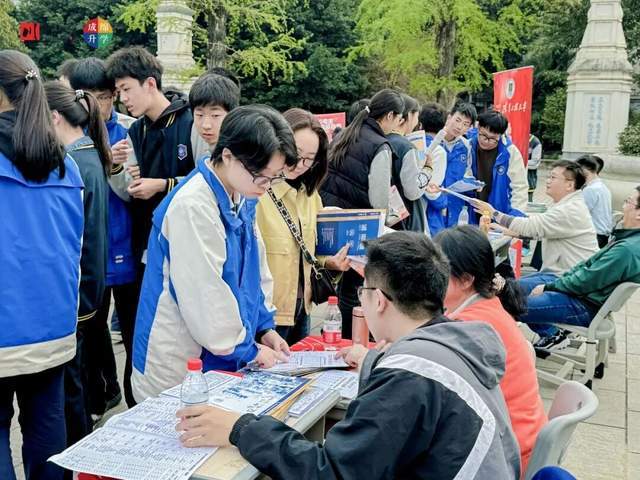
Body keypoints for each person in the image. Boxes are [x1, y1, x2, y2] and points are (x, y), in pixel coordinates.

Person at [176, 232, 521, 479]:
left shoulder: (411, 376)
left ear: (379, 300)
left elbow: (332, 471)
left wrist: (240, 428)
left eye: (363, 291)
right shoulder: (448, 344)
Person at [132, 105, 299, 401]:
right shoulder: (193, 206)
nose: (266, 186)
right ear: (228, 156)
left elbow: (255, 270)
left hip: (222, 349)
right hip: (180, 359)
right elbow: (205, 295)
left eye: (274, 178)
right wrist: (249, 349)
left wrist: (265, 328)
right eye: (261, 176)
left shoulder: (243, 194)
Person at [105, 46, 209, 405]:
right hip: (143, 249)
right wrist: (117, 168)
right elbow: (128, 190)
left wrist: (162, 185)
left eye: (126, 89)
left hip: (185, 250)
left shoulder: (190, 123)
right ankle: (138, 407)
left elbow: (208, 180)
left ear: (150, 83)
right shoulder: (136, 131)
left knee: (179, 337)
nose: (123, 98)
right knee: (140, 334)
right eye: (118, 91)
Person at [0, 50, 84, 480]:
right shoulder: (66, 165)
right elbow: (75, 244)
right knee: (48, 428)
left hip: (4, 328)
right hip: (53, 327)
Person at [435, 225, 547, 473]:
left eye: (438, 272)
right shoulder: (489, 307)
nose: (430, 279)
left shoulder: (468, 326)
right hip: (523, 442)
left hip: (505, 456)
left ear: (466, 280)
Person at [45, 82, 112, 446]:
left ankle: (78, 454)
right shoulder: (88, 154)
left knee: (73, 393)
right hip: (90, 285)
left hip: (78, 290)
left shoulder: (71, 163)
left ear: (54, 117)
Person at [69, 56, 136, 414]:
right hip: (88, 252)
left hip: (125, 246)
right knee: (92, 328)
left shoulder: (128, 131)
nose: (98, 105)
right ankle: (103, 392)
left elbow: (134, 193)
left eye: (105, 96)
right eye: (89, 97)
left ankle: (131, 395)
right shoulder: (69, 134)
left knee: (130, 326)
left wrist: (117, 165)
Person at [257, 108, 351, 345]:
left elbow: (309, 250)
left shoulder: (310, 196)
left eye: (310, 158)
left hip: (302, 309)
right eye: (296, 154)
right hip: (267, 315)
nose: (300, 164)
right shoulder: (257, 193)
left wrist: (329, 263)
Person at [320, 88, 404, 338]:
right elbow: (379, 202)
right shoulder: (380, 146)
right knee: (356, 290)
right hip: (357, 227)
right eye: (399, 119)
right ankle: (353, 340)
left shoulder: (346, 134)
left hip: (330, 219)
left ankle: (339, 337)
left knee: (341, 287)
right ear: (390, 116)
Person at [519, 186, 640, 350]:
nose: (623, 206)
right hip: (582, 296)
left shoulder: (626, 249)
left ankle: (511, 352)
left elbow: (586, 281)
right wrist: (555, 283)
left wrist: (548, 287)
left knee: (510, 304)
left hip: (583, 305)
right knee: (512, 289)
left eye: (628, 201)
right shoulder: (627, 240)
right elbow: (587, 266)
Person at [472, 160, 598, 275]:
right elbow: (540, 231)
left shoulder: (569, 210)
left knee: (507, 285)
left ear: (569, 185)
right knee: (506, 278)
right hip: (569, 273)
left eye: (553, 177)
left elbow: (530, 226)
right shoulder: (569, 204)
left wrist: (494, 213)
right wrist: (507, 231)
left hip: (567, 276)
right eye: (549, 177)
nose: (547, 181)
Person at [469, 110, 528, 222]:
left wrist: (514, 219)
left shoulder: (510, 152)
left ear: (501, 135)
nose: (486, 141)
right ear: (478, 127)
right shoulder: (468, 145)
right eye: (483, 135)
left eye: (492, 139)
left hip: (499, 215)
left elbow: (519, 187)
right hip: (471, 212)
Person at [387, 93, 431, 232]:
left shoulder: (380, 140)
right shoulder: (406, 147)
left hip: (385, 219)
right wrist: (428, 169)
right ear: (410, 115)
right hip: (406, 222)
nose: (417, 122)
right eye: (416, 116)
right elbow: (413, 192)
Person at [440, 101, 477, 228]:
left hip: (455, 206)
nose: (460, 127)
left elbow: (468, 173)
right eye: (457, 120)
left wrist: (473, 183)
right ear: (449, 117)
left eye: (466, 124)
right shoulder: (435, 140)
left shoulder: (466, 146)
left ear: (470, 127)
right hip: (435, 204)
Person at [189, 72, 240, 151]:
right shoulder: (203, 154)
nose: (206, 125)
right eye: (199, 115)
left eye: (215, 115)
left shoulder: (242, 154)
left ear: (232, 115)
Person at [419, 102, 448, 236]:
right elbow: (432, 190)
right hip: (428, 214)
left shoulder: (411, 143)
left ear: (420, 123)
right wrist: (443, 202)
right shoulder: (438, 151)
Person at [576, 155, 612, 248]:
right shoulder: (602, 186)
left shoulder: (590, 189)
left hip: (595, 235)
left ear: (584, 170)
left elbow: (579, 214)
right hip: (602, 234)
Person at [527, 134, 542, 202]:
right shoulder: (512, 137)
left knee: (528, 202)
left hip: (529, 178)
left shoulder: (535, 142)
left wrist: (519, 162)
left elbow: (534, 163)